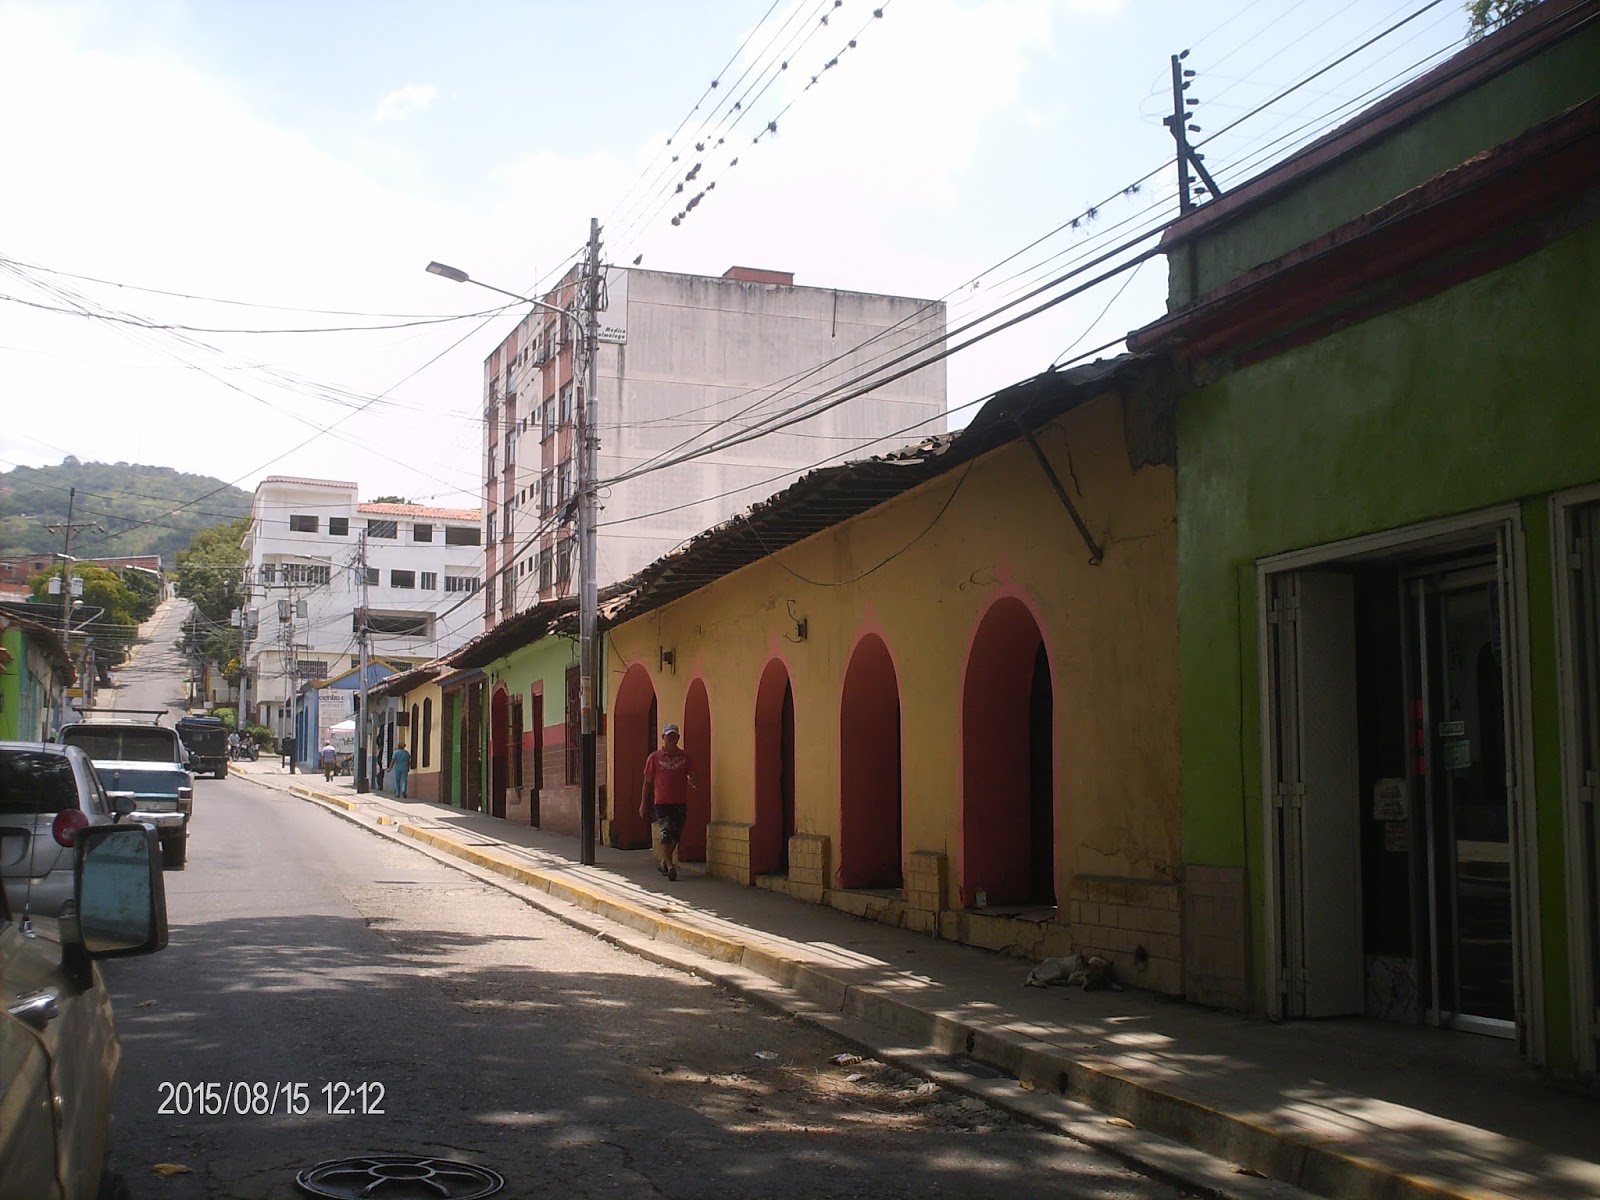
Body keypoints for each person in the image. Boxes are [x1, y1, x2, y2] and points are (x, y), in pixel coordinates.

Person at [639, 723, 696, 882]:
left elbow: (693, 775)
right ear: (663, 737)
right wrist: (643, 803)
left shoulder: (685, 757)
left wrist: (693, 780)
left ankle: (664, 861)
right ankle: (670, 867)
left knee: (676, 835)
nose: (671, 739)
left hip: (680, 801)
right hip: (662, 802)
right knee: (665, 833)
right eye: (668, 736)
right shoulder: (654, 758)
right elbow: (647, 782)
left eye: (674, 736)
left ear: (678, 738)